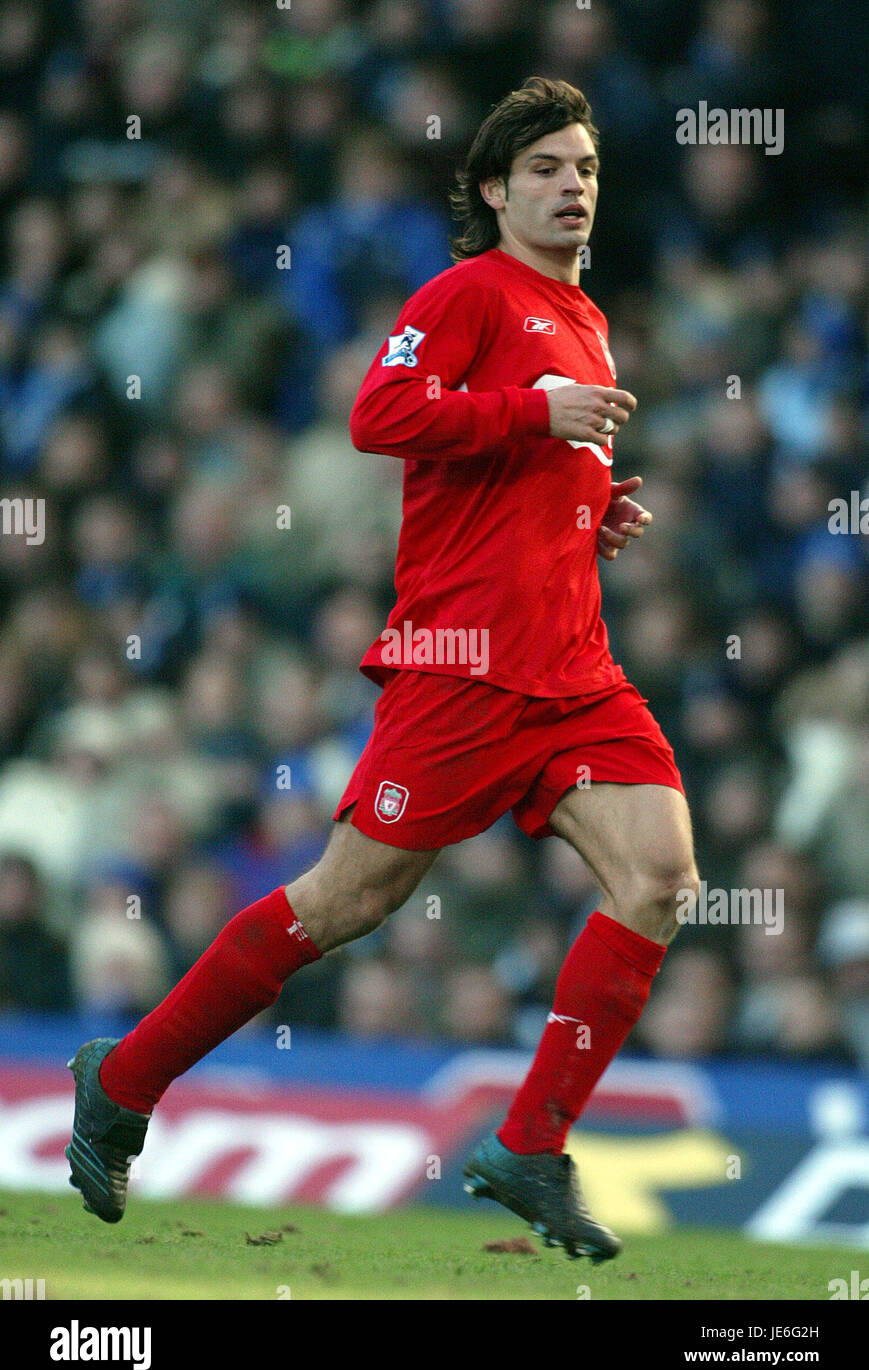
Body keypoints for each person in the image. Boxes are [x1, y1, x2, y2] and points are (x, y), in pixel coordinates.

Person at [66, 77, 699, 1263]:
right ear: (494, 188)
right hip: (458, 670)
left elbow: (517, 465)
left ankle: (527, 1147)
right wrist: (531, 414)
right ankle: (125, 1079)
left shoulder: (588, 319)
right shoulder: (466, 293)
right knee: (343, 903)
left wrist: (587, 509)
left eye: (586, 170)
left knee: (660, 880)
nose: (572, 187)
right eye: (548, 169)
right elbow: (379, 412)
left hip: (570, 671)